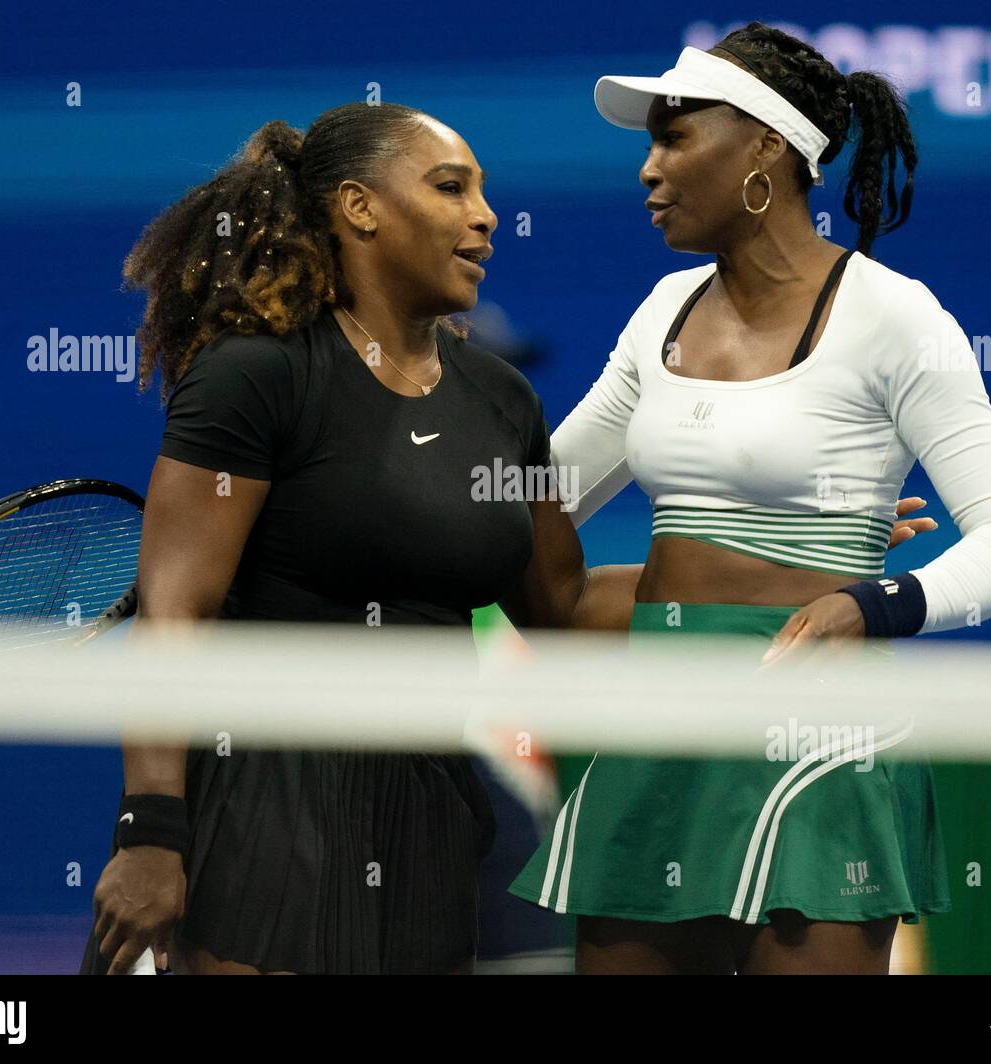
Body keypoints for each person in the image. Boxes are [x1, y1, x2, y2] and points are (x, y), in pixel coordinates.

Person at [82, 97, 937, 976]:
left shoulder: (499, 402)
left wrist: (805, 566)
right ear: (358, 207)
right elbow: (172, 615)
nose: (485, 216)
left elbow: (561, 601)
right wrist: (151, 833)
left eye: (483, 193)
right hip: (267, 802)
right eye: (450, 188)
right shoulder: (255, 375)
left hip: (429, 816)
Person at [508, 23, 991, 974]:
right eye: (650, 143)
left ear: (766, 146)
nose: (648, 168)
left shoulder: (897, 316)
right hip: (660, 725)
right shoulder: (660, 312)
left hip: (821, 741)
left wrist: (865, 602)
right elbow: (533, 497)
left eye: (676, 137)